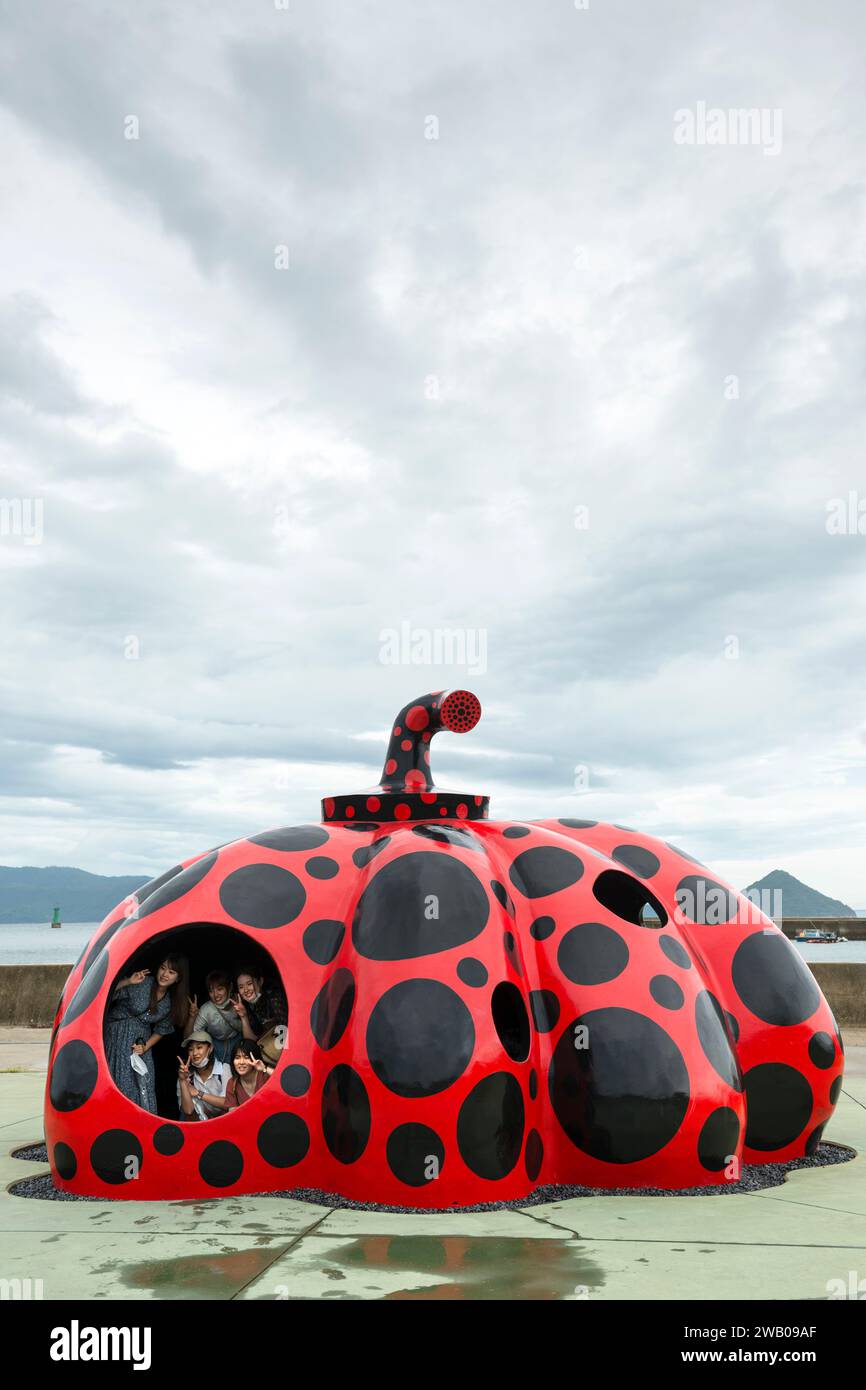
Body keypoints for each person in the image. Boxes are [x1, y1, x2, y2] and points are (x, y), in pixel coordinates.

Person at [104, 955, 191, 1113]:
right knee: (121, 1081)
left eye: (171, 972)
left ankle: (141, 1122)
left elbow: (162, 1029)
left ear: (178, 978)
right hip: (117, 1034)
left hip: (139, 1042)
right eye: (163, 968)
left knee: (144, 1083)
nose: (165, 974)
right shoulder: (142, 982)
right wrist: (128, 981)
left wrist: (145, 1047)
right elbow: (107, 991)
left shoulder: (171, 1002)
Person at [177, 1030, 231, 1120]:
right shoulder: (186, 1076)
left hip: (226, 1120)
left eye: (199, 1047)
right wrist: (182, 1081)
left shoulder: (224, 1069)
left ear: (210, 1049)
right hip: (203, 1124)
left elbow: (228, 1104)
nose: (195, 1053)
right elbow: (188, 1111)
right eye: (191, 1049)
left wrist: (199, 1093)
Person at [193, 970, 243, 1063]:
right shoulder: (206, 1009)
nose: (216, 995)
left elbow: (246, 1028)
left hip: (237, 1042)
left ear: (230, 987)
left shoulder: (239, 1002)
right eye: (211, 991)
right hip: (216, 1045)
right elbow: (196, 1032)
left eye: (220, 989)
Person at [224, 1039, 272, 1109]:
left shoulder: (265, 1075)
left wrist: (264, 1068)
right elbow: (232, 1112)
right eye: (237, 1058)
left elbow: (285, 1081)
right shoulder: (232, 1083)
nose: (241, 1062)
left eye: (246, 1057)